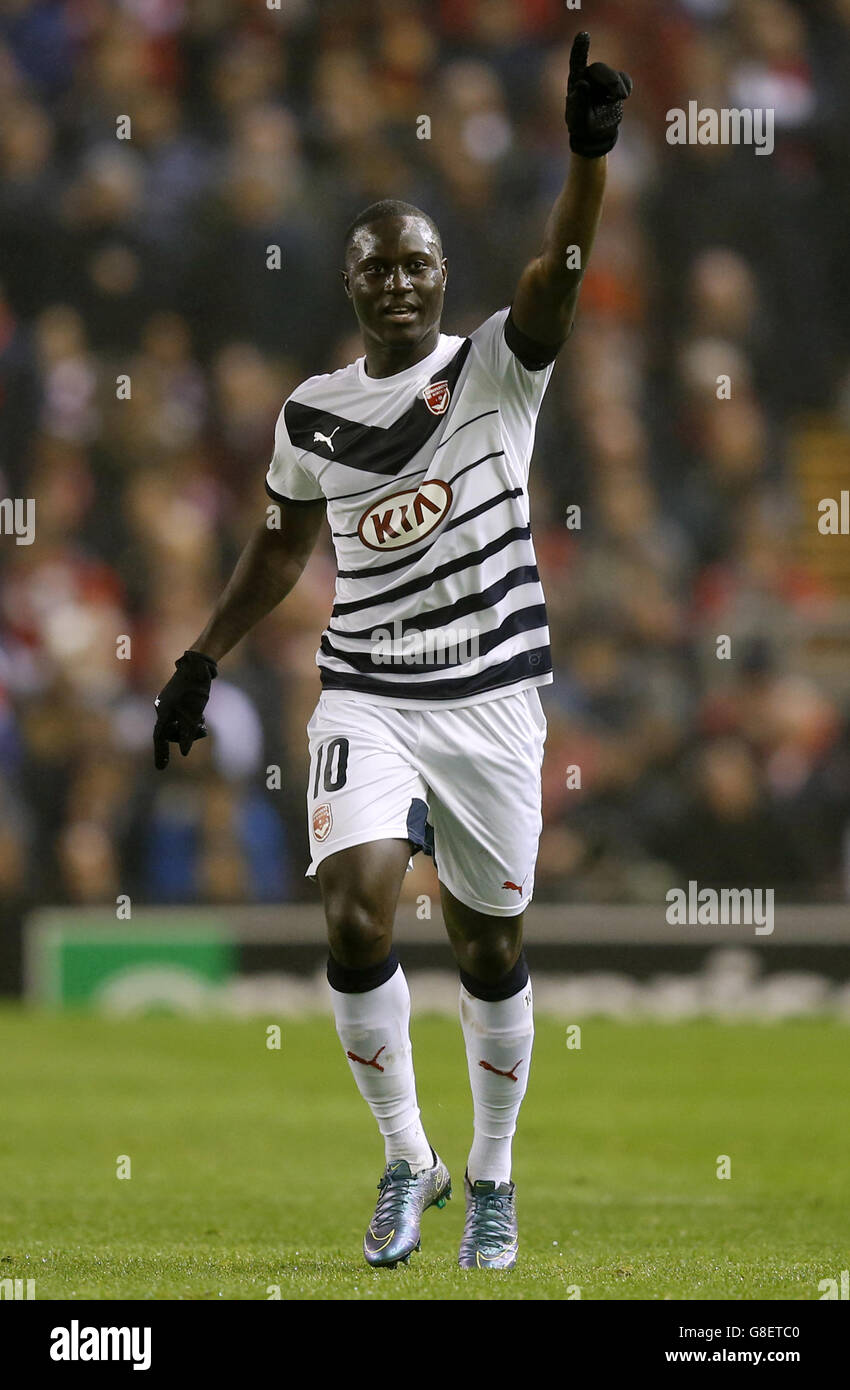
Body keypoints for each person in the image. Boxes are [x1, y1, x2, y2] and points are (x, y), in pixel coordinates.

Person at [153, 33, 631, 1271]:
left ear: (441, 275)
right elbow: (276, 548)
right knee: (356, 911)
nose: (403, 281)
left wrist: (586, 162)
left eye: (420, 261)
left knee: (489, 948)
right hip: (367, 689)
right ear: (353, 284)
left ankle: (491, 1174)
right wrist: (201, 657)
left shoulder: (493, 371)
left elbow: (561, 272)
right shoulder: (311, 412)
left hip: (493, 703)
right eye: (381, 266)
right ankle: (407, 1155)